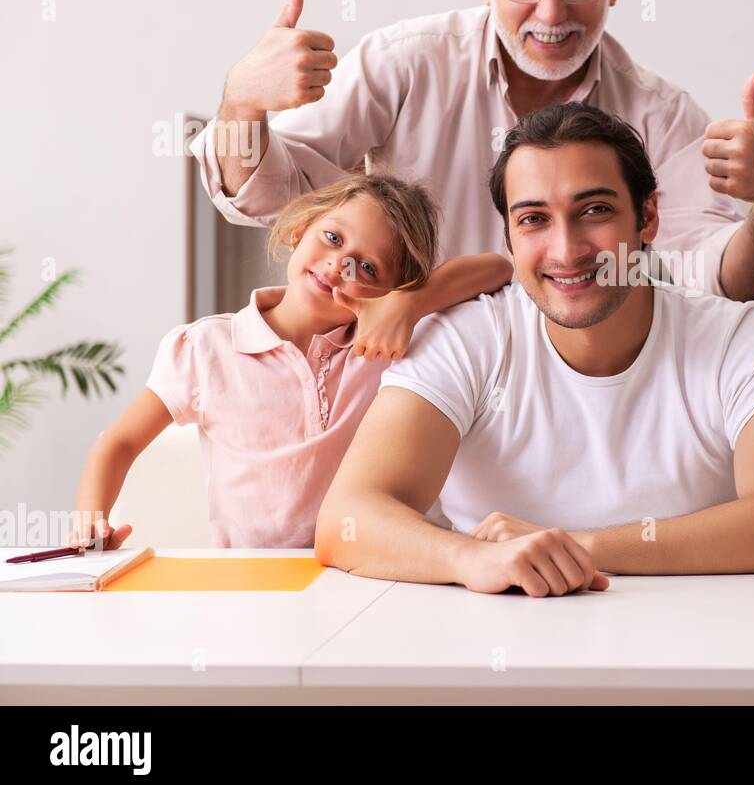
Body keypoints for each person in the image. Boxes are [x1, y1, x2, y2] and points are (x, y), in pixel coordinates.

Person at [190, 0, 754, 375]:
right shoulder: (404, 63)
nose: (550, 12)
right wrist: (242, 103)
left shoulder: (663, 115)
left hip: (577, 390)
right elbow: (274, 199)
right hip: (405, 377)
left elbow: (712, 281)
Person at [314, 103, 754, 596]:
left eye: (594, 211)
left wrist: (576, 546)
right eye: (534, 219)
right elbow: (347, 519)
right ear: (509, 240)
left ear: (648, 218)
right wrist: (472, 560)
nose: (566, 250)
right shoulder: (465, 339)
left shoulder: (741, 339)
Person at [70, 174, 511, 549]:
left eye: (368, 268)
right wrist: (90, 523)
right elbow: (119, 442)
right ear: (299, 231)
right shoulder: (206, 347)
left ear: (390, 291)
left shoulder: (390, 350)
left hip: (366, 573)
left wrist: (410, 306)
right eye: (333, 238)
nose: (340, 264)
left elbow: (498, 268)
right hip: (251, 590)